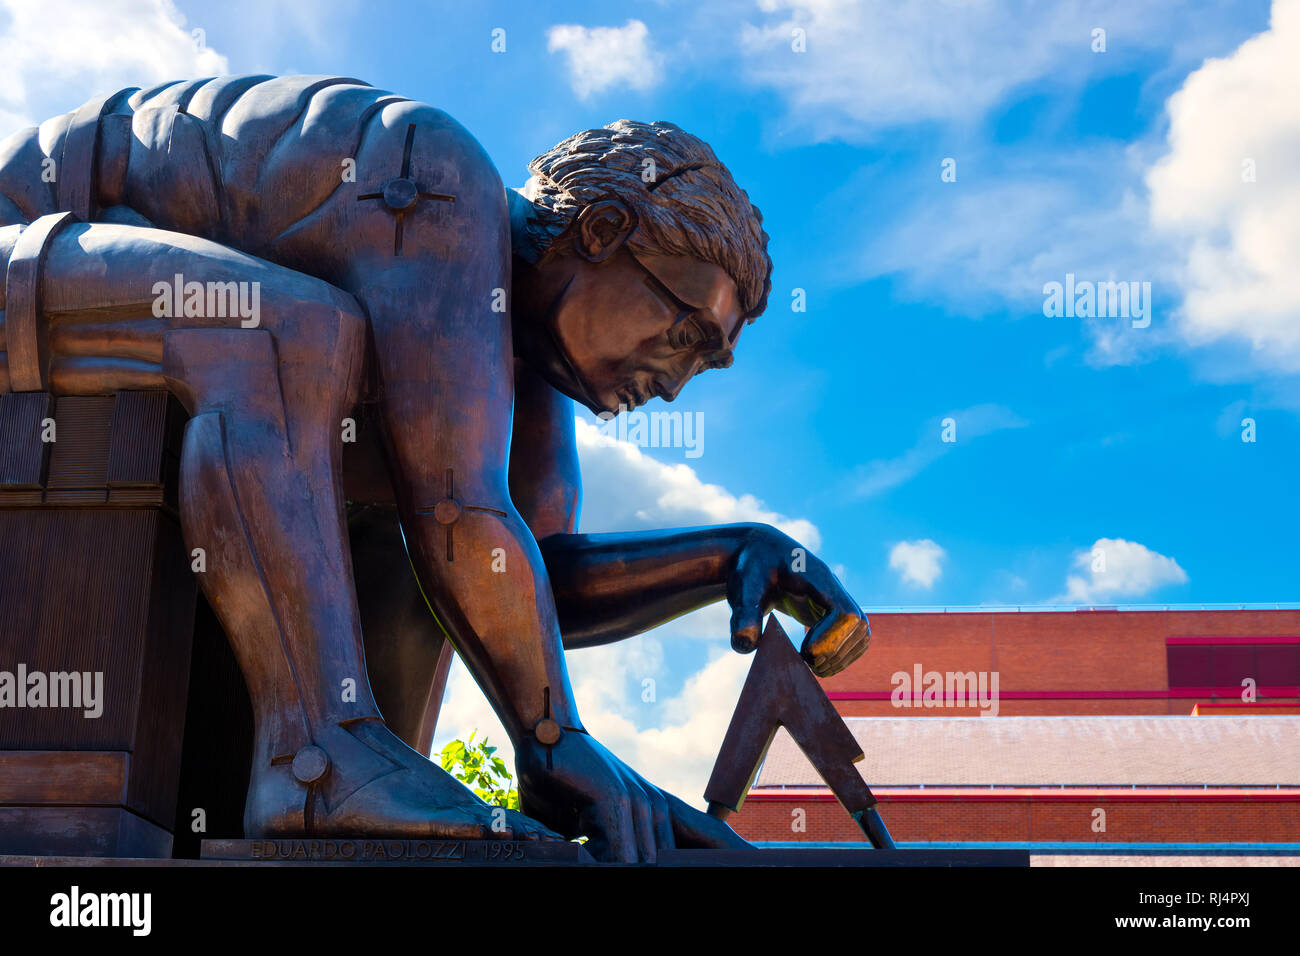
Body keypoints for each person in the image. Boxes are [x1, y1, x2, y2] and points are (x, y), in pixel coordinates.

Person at [0, 75, 869, 862]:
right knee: (284, 335)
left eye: (703, 365)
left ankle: (348, 775)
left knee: (404, 491)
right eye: (683, 335)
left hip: (99, 307)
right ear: (602, 232)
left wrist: (728, 555)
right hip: (28, 250)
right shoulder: (443, 183)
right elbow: (457, 516)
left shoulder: (519, 347)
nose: (674, 385)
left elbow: (525, 583)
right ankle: (317, 766)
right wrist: (555, 739)